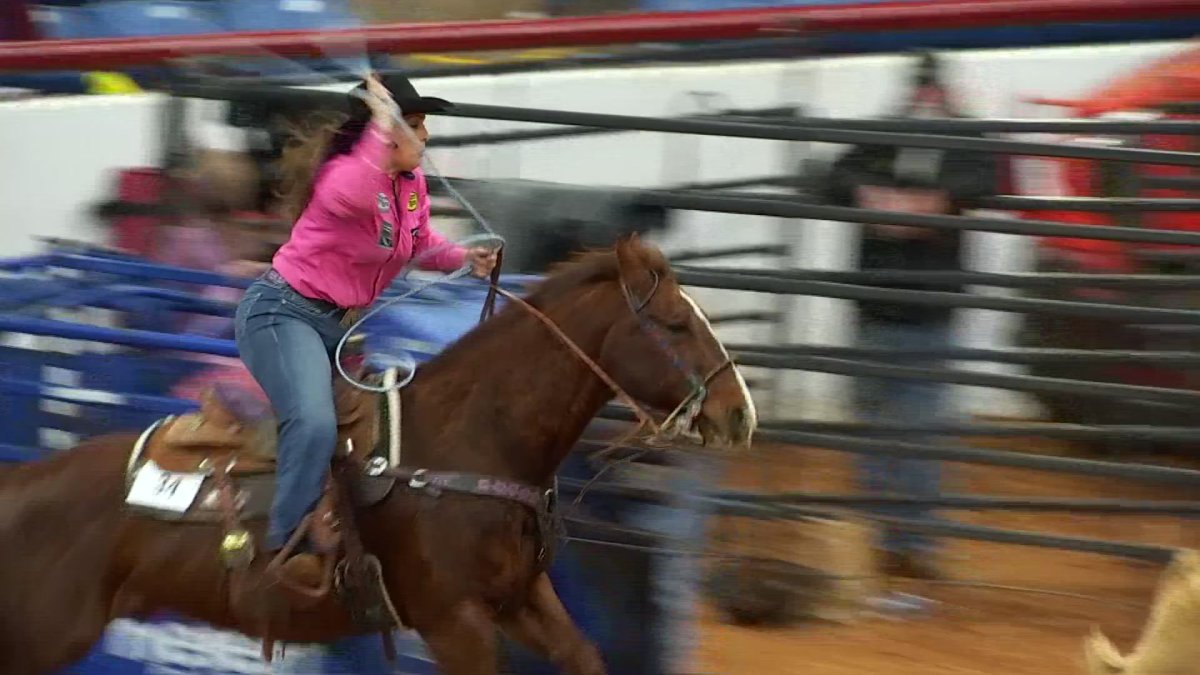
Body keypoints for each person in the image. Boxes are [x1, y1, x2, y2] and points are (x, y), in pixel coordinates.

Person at [234, 73, 498, 585]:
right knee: (313, 423)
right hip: (283, 314)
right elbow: (357, 192)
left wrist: (464, 258)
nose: (425, 137)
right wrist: (381, 122)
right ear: (386, 130)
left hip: (337, 329)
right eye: (416, 124)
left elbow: (419, 244)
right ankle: (286, 545)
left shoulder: (409, 185)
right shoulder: (342, 176)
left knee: (374, 433)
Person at [823, 52, 998, 580]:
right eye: (920, 88)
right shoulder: (880, 134)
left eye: (932, 89)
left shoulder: (968, 140)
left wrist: (900, 205)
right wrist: (905, 205)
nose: (926, 97)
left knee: (920, 433)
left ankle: (913, 544)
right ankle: (887, 538)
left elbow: (977, 184)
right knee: (876, 427)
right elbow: (833, 178)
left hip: (928, 313)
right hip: (878, 307)